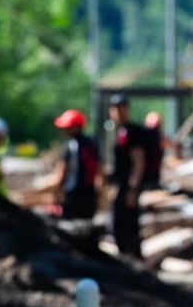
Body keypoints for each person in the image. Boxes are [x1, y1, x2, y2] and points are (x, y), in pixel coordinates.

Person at [108, 95, 149, 256]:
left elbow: (139, 163)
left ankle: (134, 262)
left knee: (128, 227)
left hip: (129, 188)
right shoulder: (117, 132)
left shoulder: (132, 132)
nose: (118, 112)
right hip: (120, 186)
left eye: (121, 107)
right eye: (115, 108)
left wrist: (132, 189)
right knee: (118, 226)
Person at [52, 109, 100, 220]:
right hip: (89, 195)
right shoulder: (92, 143)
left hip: (72, 195)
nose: (65, 130)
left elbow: (63, 172)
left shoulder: (70, 145)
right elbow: (99, 169)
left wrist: (57, 191)